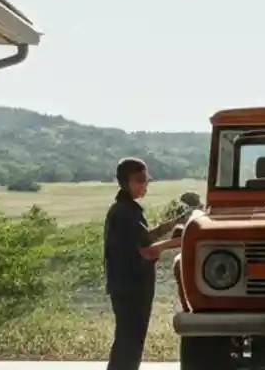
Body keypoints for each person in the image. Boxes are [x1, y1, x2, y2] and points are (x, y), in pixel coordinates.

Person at [104, 157, 181, 370]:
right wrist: (181, 241)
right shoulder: (124, 213)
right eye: (140, 180)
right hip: (132, 287)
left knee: (129, 341)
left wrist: (176, 222)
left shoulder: (126, 210)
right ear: (126, 182)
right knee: (129, 343)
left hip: (128, 286)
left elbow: (146, 236)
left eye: (146, 180)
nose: (144, 185)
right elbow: (147, 250)